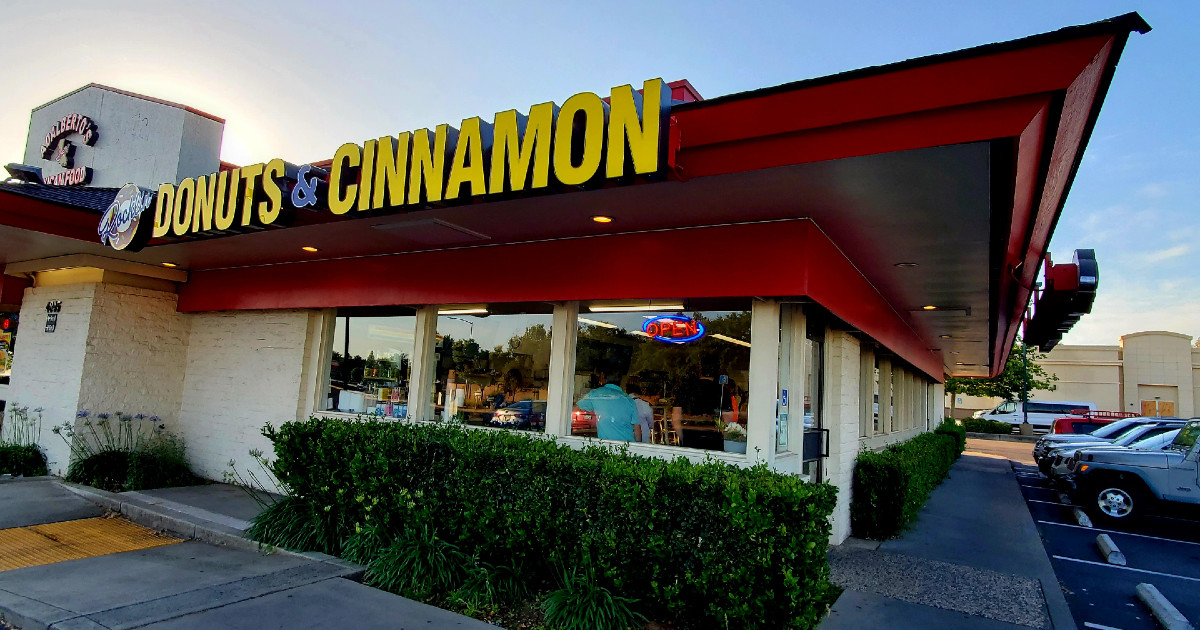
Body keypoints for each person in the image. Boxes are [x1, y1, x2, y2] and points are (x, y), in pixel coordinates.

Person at [576, 373, 638, 442]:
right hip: (627, 446)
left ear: (603, 379)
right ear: (620, 381)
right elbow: (637, 428)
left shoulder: (596, 394)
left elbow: (575, 408)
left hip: (607, 447)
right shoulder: (629, 400)